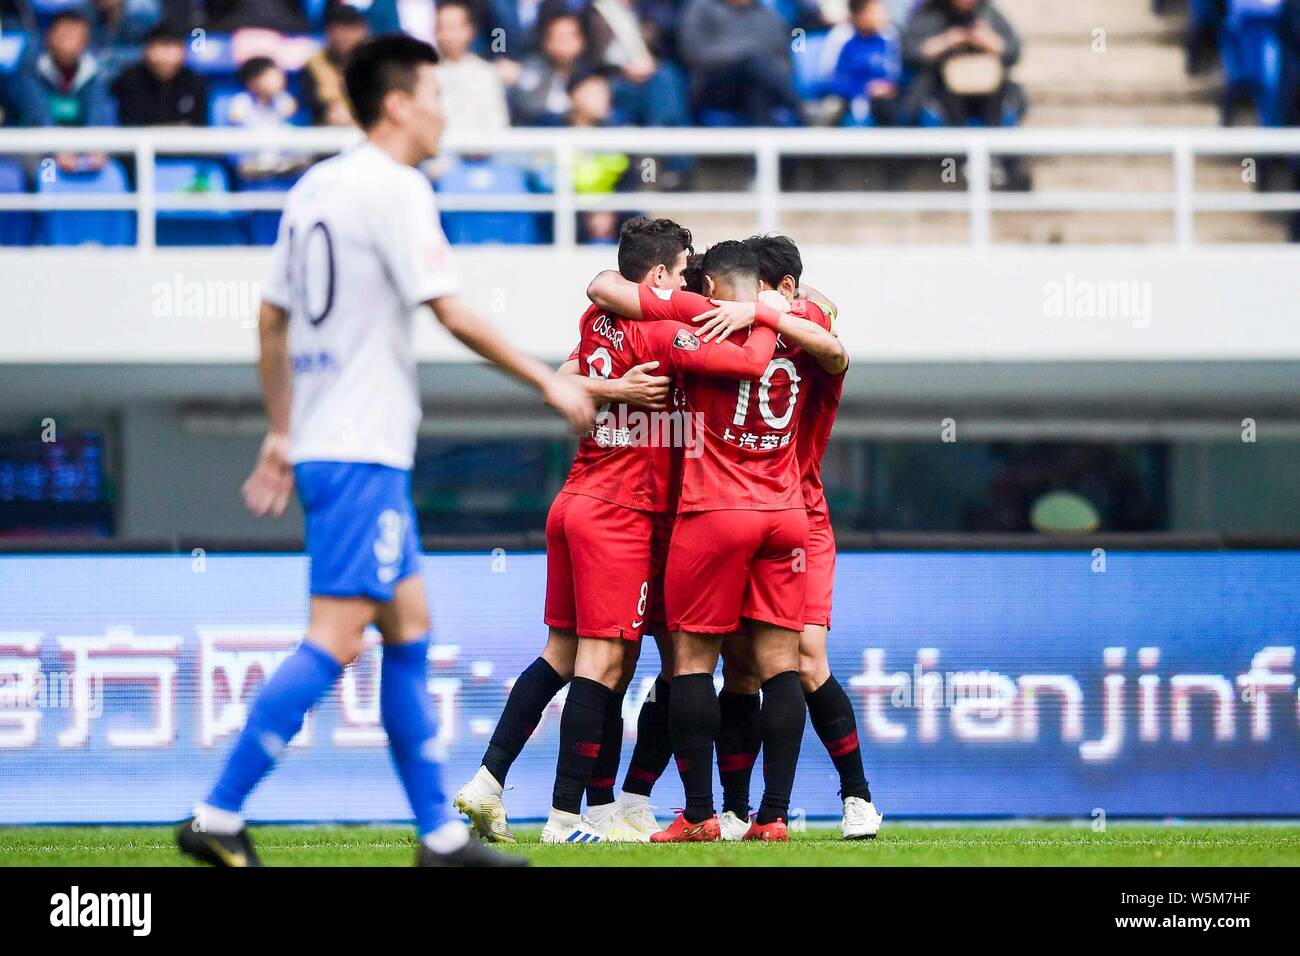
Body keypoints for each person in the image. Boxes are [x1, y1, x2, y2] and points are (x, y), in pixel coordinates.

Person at [176, 33, 593, 869]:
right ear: (399, 103)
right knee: (334, 639)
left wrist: (284, 429)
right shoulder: (396, 189)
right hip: (362, 453)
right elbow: (451, 309)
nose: (446, 112)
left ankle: (439, 837)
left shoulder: (313, 189)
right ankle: (217, 813)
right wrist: (547, 383)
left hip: (340, 447)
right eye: (437, 96)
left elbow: (269, 321)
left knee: (408, 632)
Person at [453, 217, 786, 844]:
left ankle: (502, 786)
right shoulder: (668, 330)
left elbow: (559, 381)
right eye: (686, 271)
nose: (694, 282)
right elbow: (750, 364)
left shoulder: (597, 321)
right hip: (623, 512)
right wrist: (768, 310)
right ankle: (564, 817)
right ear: (660, 275)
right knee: (611, 664)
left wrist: (609, 387)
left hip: (579, 500)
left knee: (573, 655)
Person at [586, 240, 847, 842]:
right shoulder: (800, 328)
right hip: (786, 517)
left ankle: (701, 814)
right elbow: (833, 337)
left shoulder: (695, 330)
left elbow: (604, 287)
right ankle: (773, 817)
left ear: (709, 288)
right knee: (780, 666)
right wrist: (771, 311)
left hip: (712, 513)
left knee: (689, 665)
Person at [706, 234, 883, 841]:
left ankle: (857, 797)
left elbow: (834, 346)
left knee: (805, 660)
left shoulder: (804, 335)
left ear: (780, 290)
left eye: (758, 290)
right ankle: (735, 809)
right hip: (735, 513)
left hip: (799, 515)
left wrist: (768, 308)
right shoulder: (738, 331)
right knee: (739, 668)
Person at [677, 0, 805, 125]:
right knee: (752, 62)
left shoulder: (766, 14)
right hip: (714, 84)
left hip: (757, 82)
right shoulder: (702, 7)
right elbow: (695, 52)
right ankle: (802, 109)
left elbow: (783, 57)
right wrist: (740, 55)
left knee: (758, 84)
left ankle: (764, 139)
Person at [14, 11, 114, 171]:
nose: (68, 44)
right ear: (49, 36)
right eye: (63, 35)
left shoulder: (93, 71)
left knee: (104, 169)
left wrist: (95, 148)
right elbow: (38, 116)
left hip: (79, 147)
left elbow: (96, 114)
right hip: (40, 148)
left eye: (76, 37)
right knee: (47, 173)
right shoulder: (31, 68)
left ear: (86, 41)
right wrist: (56, 150)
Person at [900, 0, 1022, 128]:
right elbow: (909, 52)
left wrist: (988, 40)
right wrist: (946, 41)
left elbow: (1014, 51)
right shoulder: (929, 14)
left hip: (987, 91)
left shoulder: (988, 13)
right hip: (941, 90)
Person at [433, 0, 510, 134]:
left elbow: (498, 124)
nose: (449, 35)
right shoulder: (427, 74)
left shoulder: (487, 74)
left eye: (454, 27)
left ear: (470, 30)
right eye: (442, 28)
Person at [111, 23, 208, 126]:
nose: (165, 58)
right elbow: (128, 125)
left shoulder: (194, 83)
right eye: (161, 47)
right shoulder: (129, 81)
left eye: (171, 47)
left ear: (183, 52)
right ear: (147, 50)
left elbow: (199, 128)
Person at [509, 12, 593, 126]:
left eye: (571, 36)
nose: (566, 44)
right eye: (560, 38)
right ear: (547, 42)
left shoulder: (587, 73)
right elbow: (529, 107)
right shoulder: (533, 68)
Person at [227, 56, 306, 178]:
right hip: (252, 162)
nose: (280, 80)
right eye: (271, 76)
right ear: (253, 82)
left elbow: (294, 127)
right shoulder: (241, 103)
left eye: (279, 75)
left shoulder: (285, 100)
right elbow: (236, 136)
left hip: (281, 162)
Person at [827, 0, 901, 126]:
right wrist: (866, 88)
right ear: (859, 15)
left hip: (888, 102)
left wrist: (889, 87)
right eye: (875, 11)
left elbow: (898, 74)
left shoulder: (888, 41)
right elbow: (835, 80)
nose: (882, 15)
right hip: (856, 101)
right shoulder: (846, 43)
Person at [302, 3, 370, 127]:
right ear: (329, 32)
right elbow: (316, 107)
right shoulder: (314, 64)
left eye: (351, 29)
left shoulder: (376, 62)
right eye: (340, 29)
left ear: (363, 31)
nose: (345, 37)